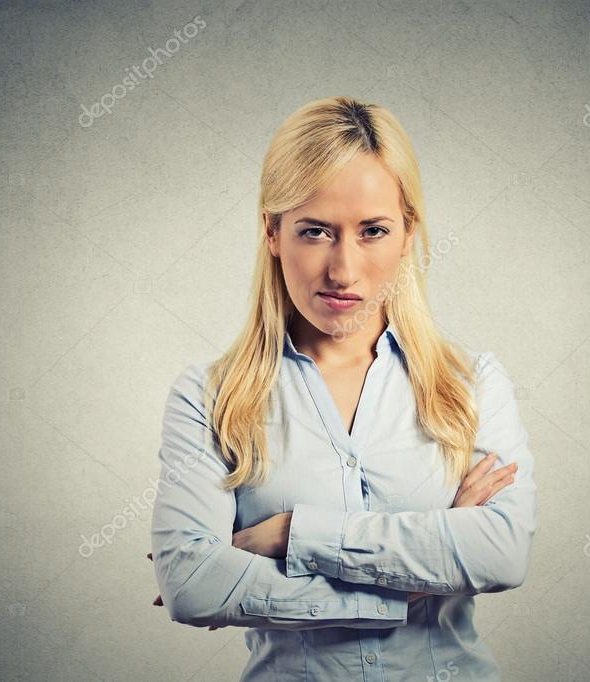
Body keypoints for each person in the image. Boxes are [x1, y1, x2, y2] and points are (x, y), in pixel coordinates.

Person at [149, 95, 537, 681]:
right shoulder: (208, 398)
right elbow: (192, 586)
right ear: (273, 233)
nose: (343, 270)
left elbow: (500, 553)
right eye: (316, 231)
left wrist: (292, 534)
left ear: (408, 234)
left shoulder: (472, 384)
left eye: (373, 231)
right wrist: (411, 579)